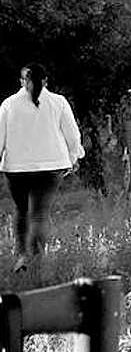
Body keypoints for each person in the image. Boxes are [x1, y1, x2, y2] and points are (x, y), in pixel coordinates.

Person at [0, 64, 84, 273]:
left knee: (21, 211)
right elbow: (72, 135)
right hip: (51, 166)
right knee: (39, 214)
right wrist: (74, 156)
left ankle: (21, 256)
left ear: (21, 81)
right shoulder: (59, 102)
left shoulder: (8, 105)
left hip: (16, 167)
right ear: (46, 81)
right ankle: (37, 261)